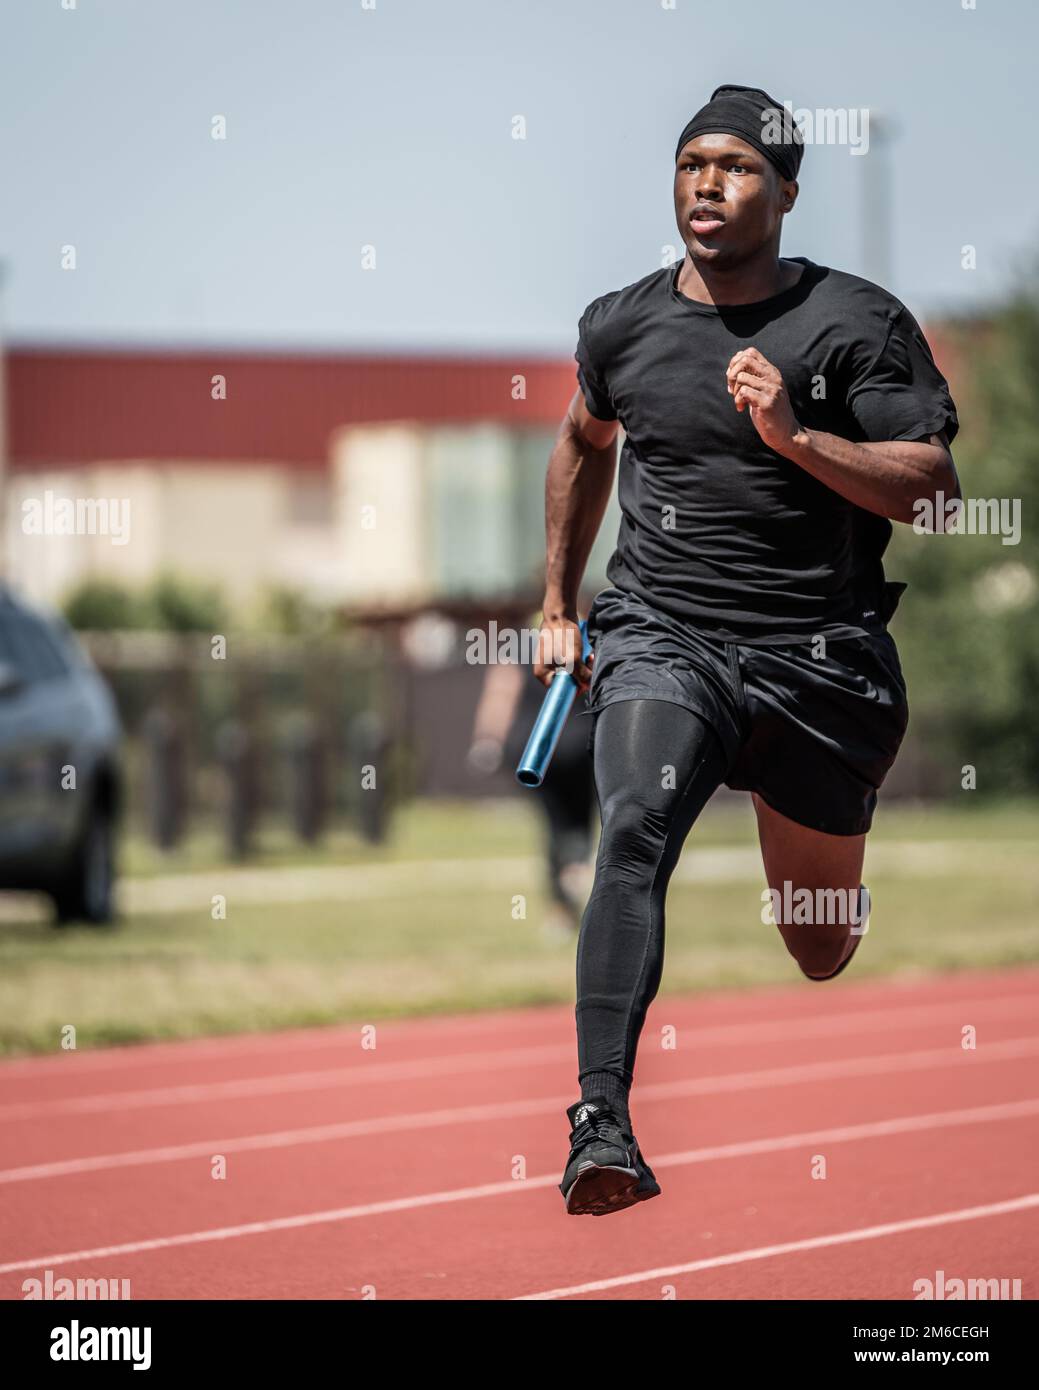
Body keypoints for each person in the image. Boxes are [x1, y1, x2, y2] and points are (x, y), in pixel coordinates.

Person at [534, 84, 960, 1216]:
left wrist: (793, 433)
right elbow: (580, 443)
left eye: (733, 168)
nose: (706, 187)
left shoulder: (853, 323)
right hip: (665, 634)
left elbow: (937, 491)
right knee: (630, 830)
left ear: (785, 190)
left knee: (816, 943)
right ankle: (600, 1121)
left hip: (816, 659)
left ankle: (827, 863)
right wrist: (554, 600)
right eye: (690, 166)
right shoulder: (619, 325)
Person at [468, 616, 595, 937]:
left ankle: (562, 906)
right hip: (581, 744)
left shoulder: (521, 643)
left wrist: (488, 739)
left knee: (553, 826)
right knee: (580, 821)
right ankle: (577, 868)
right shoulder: (587, 638)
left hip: (538, 751)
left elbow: (501, 692)